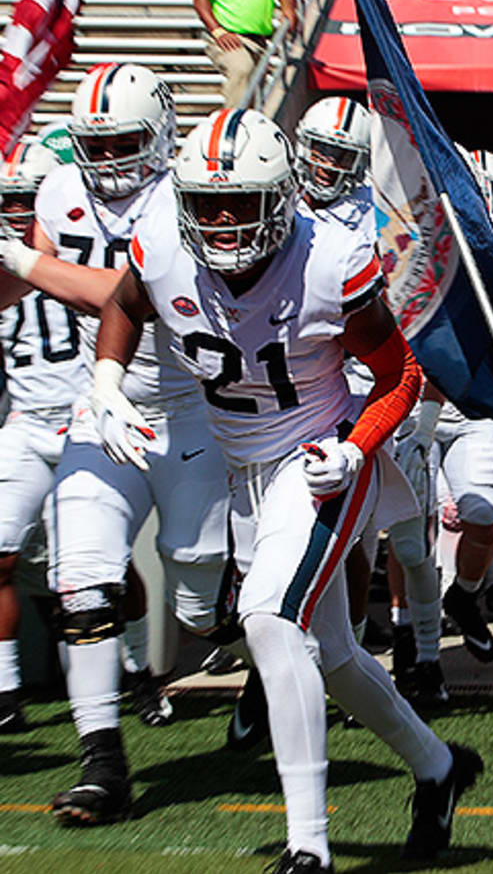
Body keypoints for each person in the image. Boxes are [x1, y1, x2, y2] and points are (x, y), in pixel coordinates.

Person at [93, 107, 481, 873]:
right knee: (332, 656)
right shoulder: (164, 246)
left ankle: (309, 846)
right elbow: (122, 305)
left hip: (317, 461)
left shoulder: (330, 259)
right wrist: (106, 382)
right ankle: (439, 768)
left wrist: (355, 448)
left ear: (285, 197)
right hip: (241, 471)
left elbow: (399, 374)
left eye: (241, 202)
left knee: (268, 619)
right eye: (207, 205)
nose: (225, 222)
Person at [0, 63, 232, 826]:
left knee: (198, 601)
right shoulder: (62, 191)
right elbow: (24, 283)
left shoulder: (189, 196)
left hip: (192, 414)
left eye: (124, 142)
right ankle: (103, 761)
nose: (108, 162)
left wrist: (23, 259)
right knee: (81, 581)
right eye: (95, 144)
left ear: (161, 132)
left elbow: (132, 297)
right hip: (100, 408)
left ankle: (240, 637)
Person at [0, 140, 72, 733]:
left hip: (86, 423)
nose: (18, 210)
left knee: (96, 572)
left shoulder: (84, 246)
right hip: (25, 422)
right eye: (9, 200)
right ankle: (5, 693)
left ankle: (135, 676)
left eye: (28, 199)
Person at [191, 0, 298, 106]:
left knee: (254, 91)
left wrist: (288, 7)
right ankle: (234, 122)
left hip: (258, 40)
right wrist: (217, 30)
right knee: (242, 69)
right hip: (227, 35)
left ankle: (245, 121)